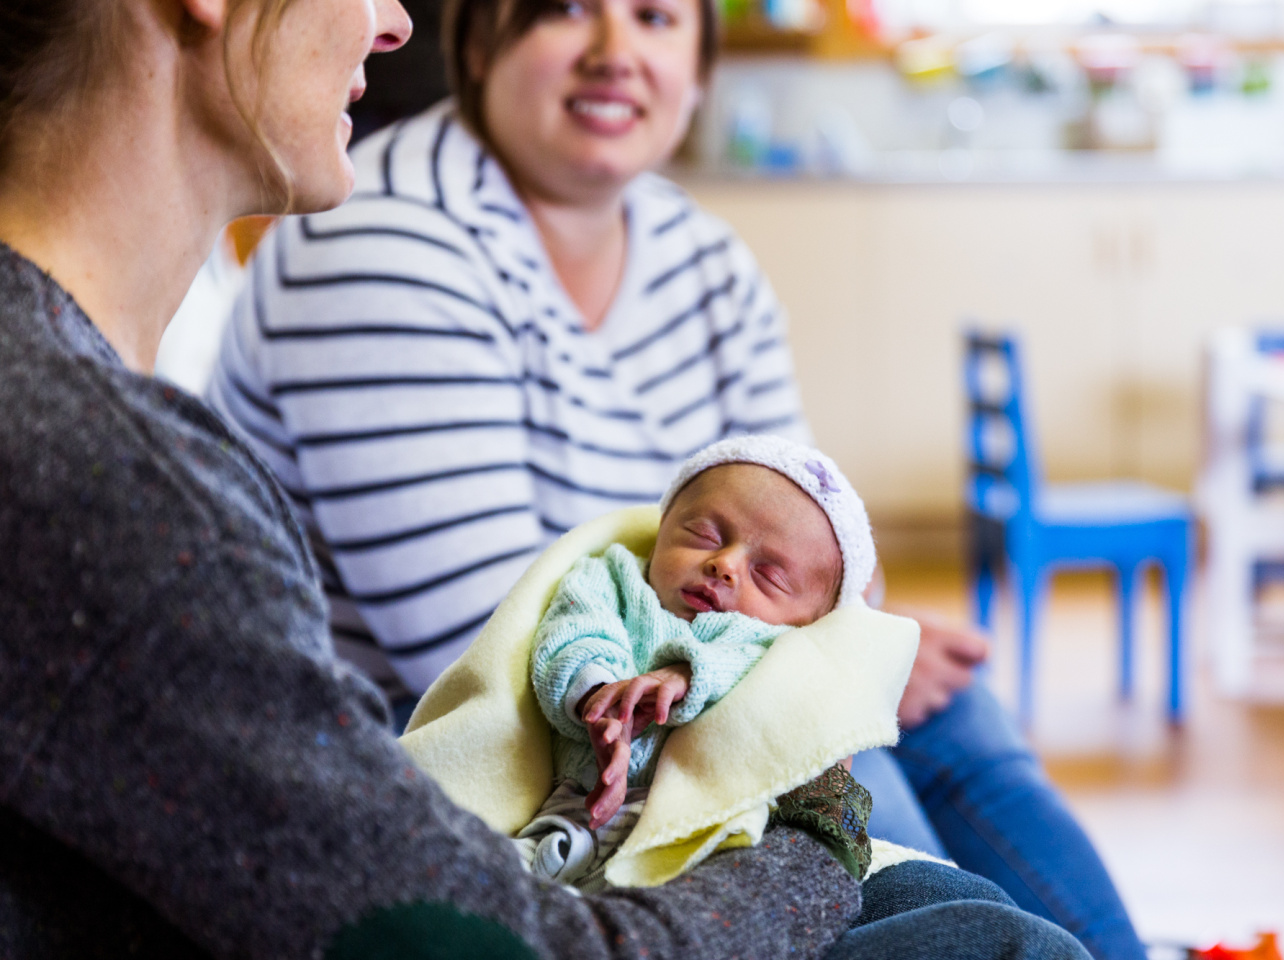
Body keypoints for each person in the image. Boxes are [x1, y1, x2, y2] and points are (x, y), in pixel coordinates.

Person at [0, 2, 1089, 959]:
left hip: (639, 704)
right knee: (965, 903)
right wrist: (820, 808)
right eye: (568, 7)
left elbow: (805, 529)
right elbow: (491, 653)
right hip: (558, 735)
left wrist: (826, 655)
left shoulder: (703, 255)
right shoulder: (148, 455)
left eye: (660, 17)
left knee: (949, 734)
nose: (392, 21)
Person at [520, 436, 875, 889]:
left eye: (768, 575)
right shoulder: (614, 576)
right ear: (664, 524)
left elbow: (771, 686)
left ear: (812, 621)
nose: (724, 564)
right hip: (571, 808)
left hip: (717, 842)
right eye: (704, 535)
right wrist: (599, 695)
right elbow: (573, 631)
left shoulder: (785, 647)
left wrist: (691, 674)